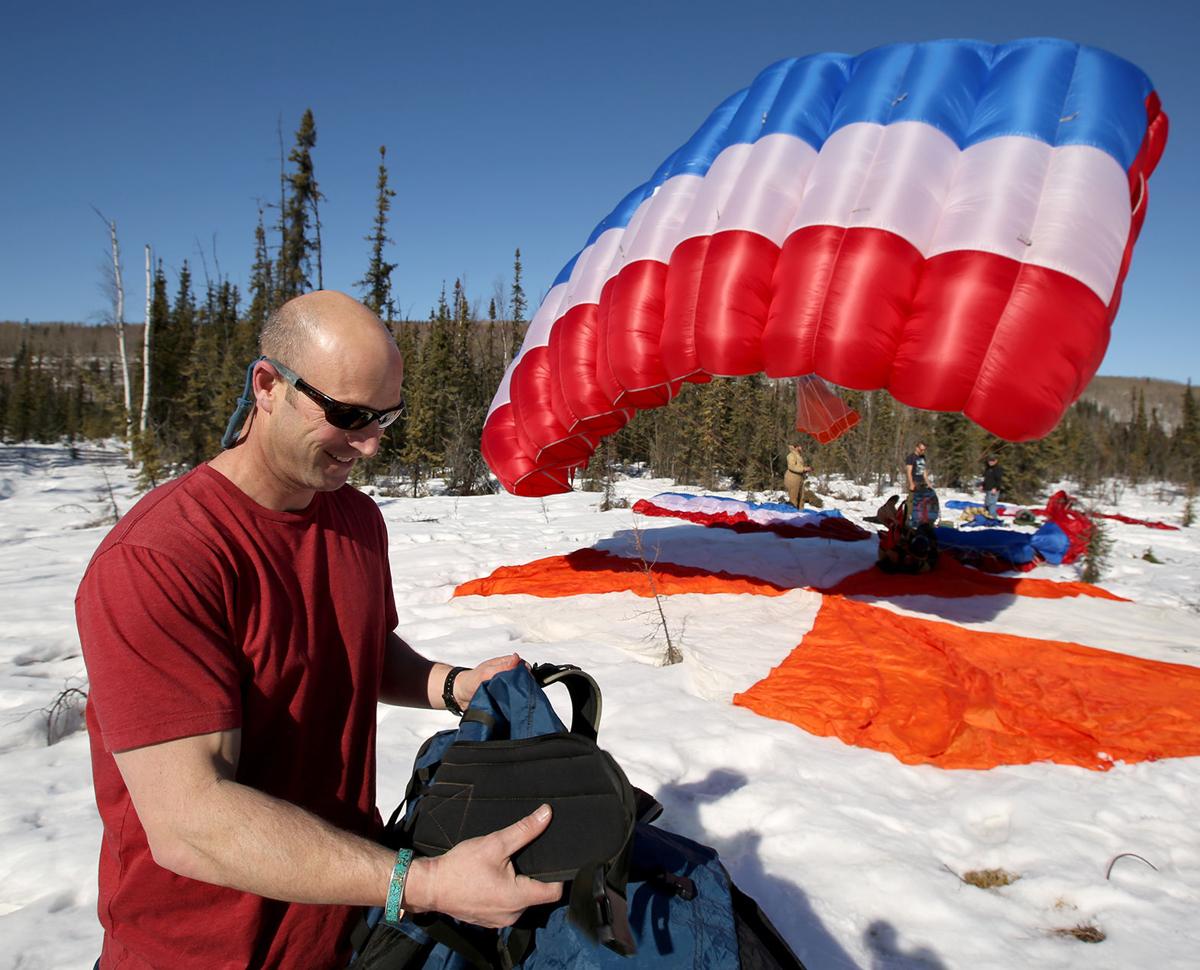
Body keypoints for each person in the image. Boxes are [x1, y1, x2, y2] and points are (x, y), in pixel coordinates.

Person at [76, 291, 562, 969]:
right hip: (200, 950)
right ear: (267, 386)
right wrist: (421, 884)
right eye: (349, 415)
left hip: (344, 925)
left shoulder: (355, 520)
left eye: (386, 417)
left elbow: (359, 650)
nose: (370, 443)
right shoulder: (160, 559)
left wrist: (455, 685)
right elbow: (190, 822)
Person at [904, 440, 938, 528]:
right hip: (914, 481)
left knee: (923, 502)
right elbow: (909, 472)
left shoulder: (923, 458)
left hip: (922, 483)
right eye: (921, 449)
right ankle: (907, 519)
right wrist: (911, 483)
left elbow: (924, 472)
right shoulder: (911, 458)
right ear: (917, 448)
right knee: (911, 501)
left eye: (924, 450)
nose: (922, 451)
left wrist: (928, 482)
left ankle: (922, 519)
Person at [783, 441, 811, 508]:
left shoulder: (798, 455)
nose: (801, 448)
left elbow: (798, 467)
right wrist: (804, 469)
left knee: (801, 498)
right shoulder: (791, 455)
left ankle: (800, 513)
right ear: (796, 447)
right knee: (793, 499)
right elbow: (792, 467)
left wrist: (806, 469)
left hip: (799, 478)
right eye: (800, 446)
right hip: (792, 478)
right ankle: (793, 513)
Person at [982, 454, 1003, 519]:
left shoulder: (998, 468)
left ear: (996, 461)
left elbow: (998, 480)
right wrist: (982, 485)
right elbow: (986, 478)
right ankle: (986, 517)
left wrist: (995, 488)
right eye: (989, 460)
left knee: (991, 504)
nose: (990, 462)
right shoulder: (988, 468)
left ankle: (993, 518)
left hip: (993, 489)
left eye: (992, 460)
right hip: (988, 488)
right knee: (987, 503)